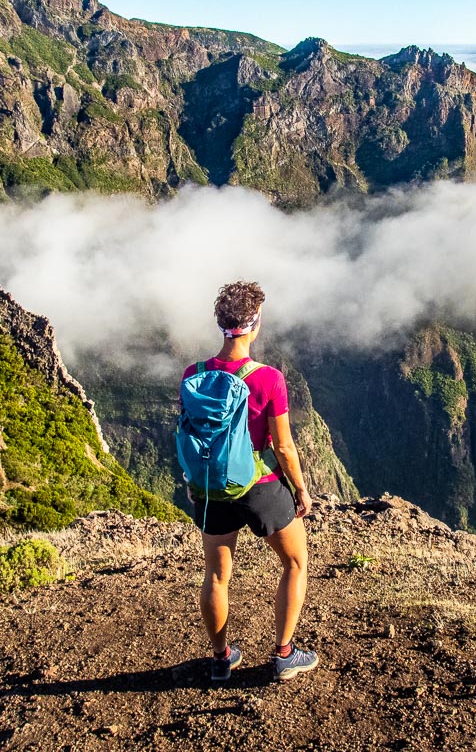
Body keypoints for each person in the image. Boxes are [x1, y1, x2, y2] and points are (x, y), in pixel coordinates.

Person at [182, 281, 319, 682]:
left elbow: (191, 434)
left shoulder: (193, 375)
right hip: (259, 487)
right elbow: (284, 446)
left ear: (220, 324)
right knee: (295, 562)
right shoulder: (268, 378)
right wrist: (300, 489)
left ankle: (221, 658)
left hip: (212, 488)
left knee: (216, 576)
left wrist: (194, 480)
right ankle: (284, 654)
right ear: (255, 323)